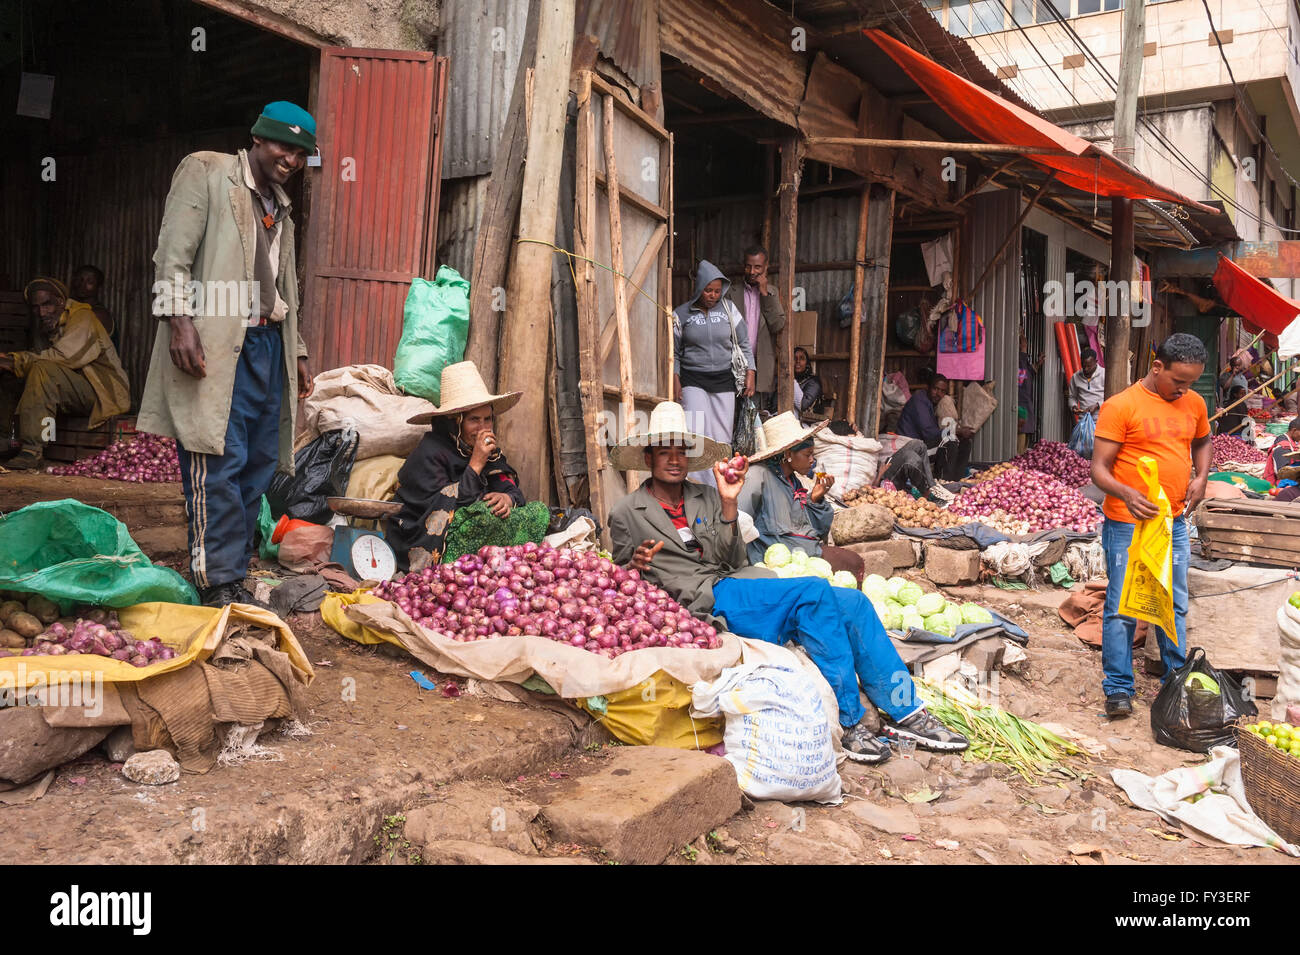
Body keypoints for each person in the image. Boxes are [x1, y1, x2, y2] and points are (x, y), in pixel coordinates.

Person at [607, 401, 969, 764]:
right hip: (704, 600)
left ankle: (907, 711)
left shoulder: (705, 496)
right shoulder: (627, 511)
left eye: (680, 451)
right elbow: (618, 580)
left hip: (736, 581)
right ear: (648, 456)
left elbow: (731, 560)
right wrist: (634, 566)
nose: (674, 459)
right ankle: (851, 720)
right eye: (663, 452)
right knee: (812, 591)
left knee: (856, 603)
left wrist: (730, 504)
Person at [138, 101, 316, 607]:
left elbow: (283, 286)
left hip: (266, 346)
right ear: (259, 139)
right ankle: (215, 579)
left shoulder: (279, 204)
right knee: (217, 461)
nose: (292, 159)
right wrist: (180, 322)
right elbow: (173, 254)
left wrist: (296, 350)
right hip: (215, 343)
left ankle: (234, 575)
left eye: (302, 152)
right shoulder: (208, 171)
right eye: (285, 145)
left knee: (258, 467)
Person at [1090, 333, 1212, 719]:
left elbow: (1203, 442)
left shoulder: (1193, 402)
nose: (1184, 390)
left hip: (1174, 520)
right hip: (1128, 523)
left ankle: (1175, 679)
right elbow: (1098, 470)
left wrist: (1202, 477)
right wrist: (1126, 493)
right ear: (1157, 367)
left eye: (1191, 382)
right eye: (1178, 381)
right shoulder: (1121, 406)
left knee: (1173, 601)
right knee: (1122, 606)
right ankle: (1119, 688)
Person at [387, 361, 550, 570]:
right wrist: (476, 462)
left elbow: (511, 489)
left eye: (487, 419)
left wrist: (507, 498)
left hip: (477, 524)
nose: (482, 428)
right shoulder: (430, 452)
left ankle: (499, 566)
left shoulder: (489, 452)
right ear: (455, 422)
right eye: (474, 420)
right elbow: (452, 506)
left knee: (538, 511)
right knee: (480, 520)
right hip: (423, 536)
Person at [0, 278, 129, 469]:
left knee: (42, 369)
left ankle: (32, 450)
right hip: (68, 389)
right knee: (10, 377)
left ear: (61, 302)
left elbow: (63, 358)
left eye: (47, 304)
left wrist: (13, 360)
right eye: (36, 307)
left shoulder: (83, 318)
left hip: (102, 392)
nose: (41, 312)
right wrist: (9, 364)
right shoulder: (47, 326)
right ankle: (8, 440)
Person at [737, 412, 864, 582]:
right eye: (807, 455)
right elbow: (739, 525)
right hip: (775, 560)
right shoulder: (757, 476)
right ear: (788, 454)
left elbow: (815, 530)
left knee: (854, 562)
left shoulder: (793, 481)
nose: (812, 460)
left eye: (813, 454)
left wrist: (815, 499)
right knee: (852, 563)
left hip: (803, 553)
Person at [673, 259, 753, 485]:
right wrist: (675, 378)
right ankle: (696, 485)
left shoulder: (730, 311)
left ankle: (720, 485)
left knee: (721, 436)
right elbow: (674, 352)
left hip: (723, 379)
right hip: (693, 378)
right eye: (708, 290)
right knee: (696, 433)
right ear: (699, 288)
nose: (713, 295)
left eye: (717, 291)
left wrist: (751, 372)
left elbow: (745, 343)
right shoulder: (681, 314)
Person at [727, 246, 785, 415]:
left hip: (760, 368)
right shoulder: (731, 293)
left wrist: (764, 294)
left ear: (766, 267)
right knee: (731, 416)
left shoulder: (772, 293)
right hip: (732, 365)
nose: (752, 271)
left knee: (754, 419)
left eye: (757, 267)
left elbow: (778, 325)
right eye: (748, 266)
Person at [897, 370, 972, 481]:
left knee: (965, 443)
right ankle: (944, 482)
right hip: (911, 449)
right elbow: (929, 433)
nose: (938, 393)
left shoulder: (932, 404)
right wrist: (957, 431)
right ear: (928, 387)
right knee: (949, 443)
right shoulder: (919, 401)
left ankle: (956, 480)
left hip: (924, 445)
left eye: (942, 391)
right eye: (935, 389)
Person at [69, 265, 114, 341]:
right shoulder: (75, 308)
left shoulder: (98, 314)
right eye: (79, 280)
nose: (82, 285)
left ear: (98, 287)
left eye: (90, 282)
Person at [1017, 332, 1044, 454]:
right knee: (1019, 448)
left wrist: (1038, 364)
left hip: (1026, 406)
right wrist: (1023, 345)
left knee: (1023, 446)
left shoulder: (1023, 362)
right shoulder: (1018, 360)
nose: (1025, 343)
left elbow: (1027, 373)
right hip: (1020, 408)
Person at [1069, 348, 1106, 419]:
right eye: (1083, 366)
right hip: (1084, 421)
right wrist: (1073, 406)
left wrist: (1097, 405)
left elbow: (1112, 397)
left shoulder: (1104, 375)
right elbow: (1072, 397)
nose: (1086, 369)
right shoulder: (1075, 377)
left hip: (1102, 420)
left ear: (1096, 362)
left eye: (1089, 366)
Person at [792, 346, 825, 420]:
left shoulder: (814, 382)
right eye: (794, 358)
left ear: (806, 363)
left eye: (801, 358)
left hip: (808, 422)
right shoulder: (783, 381)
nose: (797, 361)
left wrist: (791, 381)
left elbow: (803, 405)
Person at [1265, 417, 1300, 484]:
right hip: (1282, 484)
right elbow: (1283, 474)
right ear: (1294, 430)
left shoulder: (1291, 441)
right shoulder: (1282, 448)